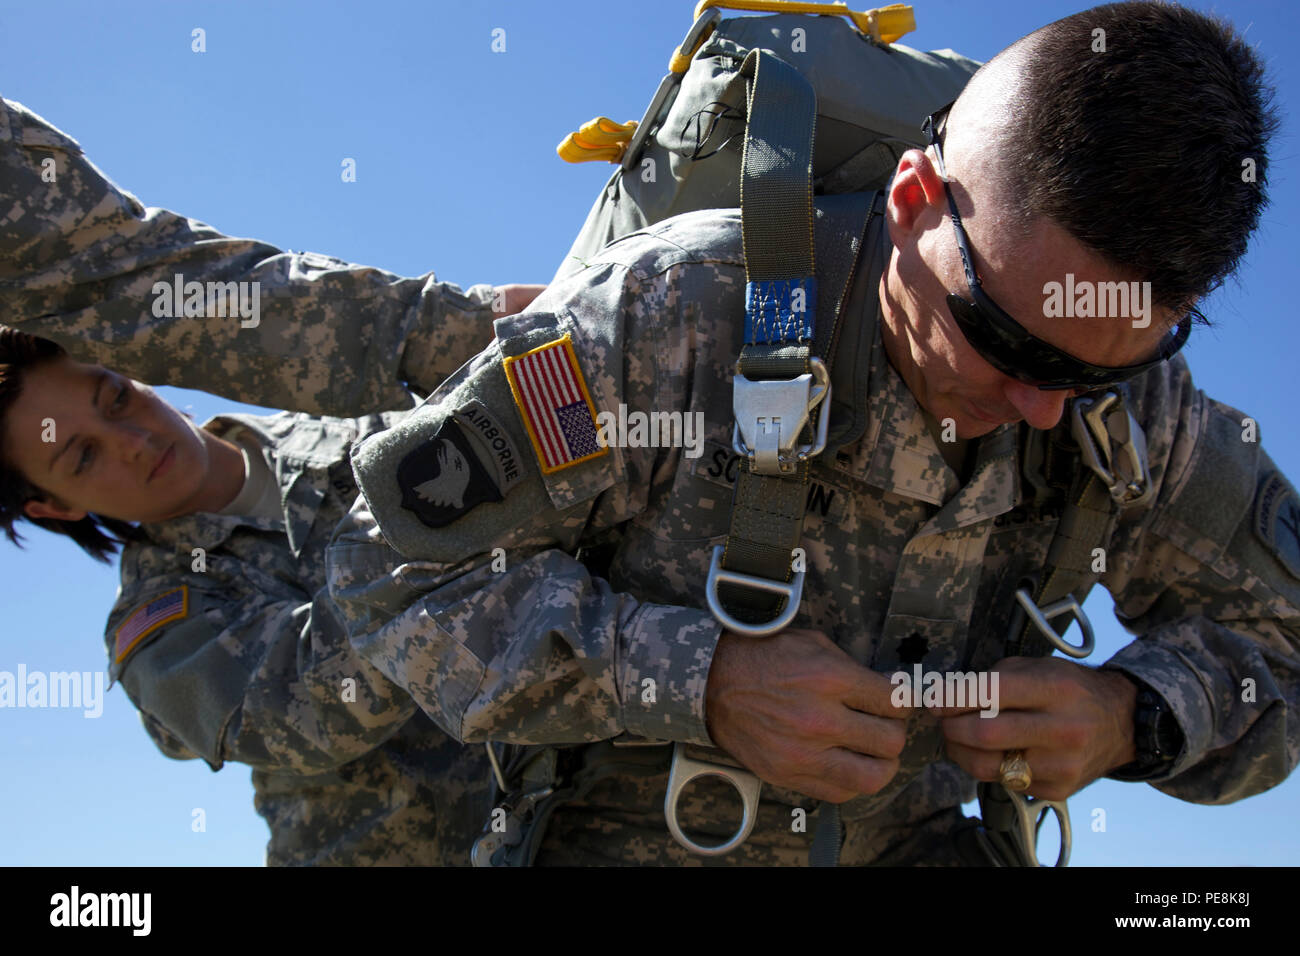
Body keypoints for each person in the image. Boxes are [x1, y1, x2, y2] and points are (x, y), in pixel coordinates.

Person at [322, 1, 1299, 865]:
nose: (1044, 407)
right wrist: (696, 678)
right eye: (1002, 338)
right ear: (914, 199)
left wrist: (1134, 716)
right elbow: (388, 565)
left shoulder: (1150, 420)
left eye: (1099, 371)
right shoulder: (676, 314)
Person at [0, 325, 500, 864]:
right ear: (54, 507)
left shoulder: (347, 420)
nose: (135, 443)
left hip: (582, 808)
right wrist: (442, 494)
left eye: (116, 398)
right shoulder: (160, 629)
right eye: (83, 457)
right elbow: (319, 708)